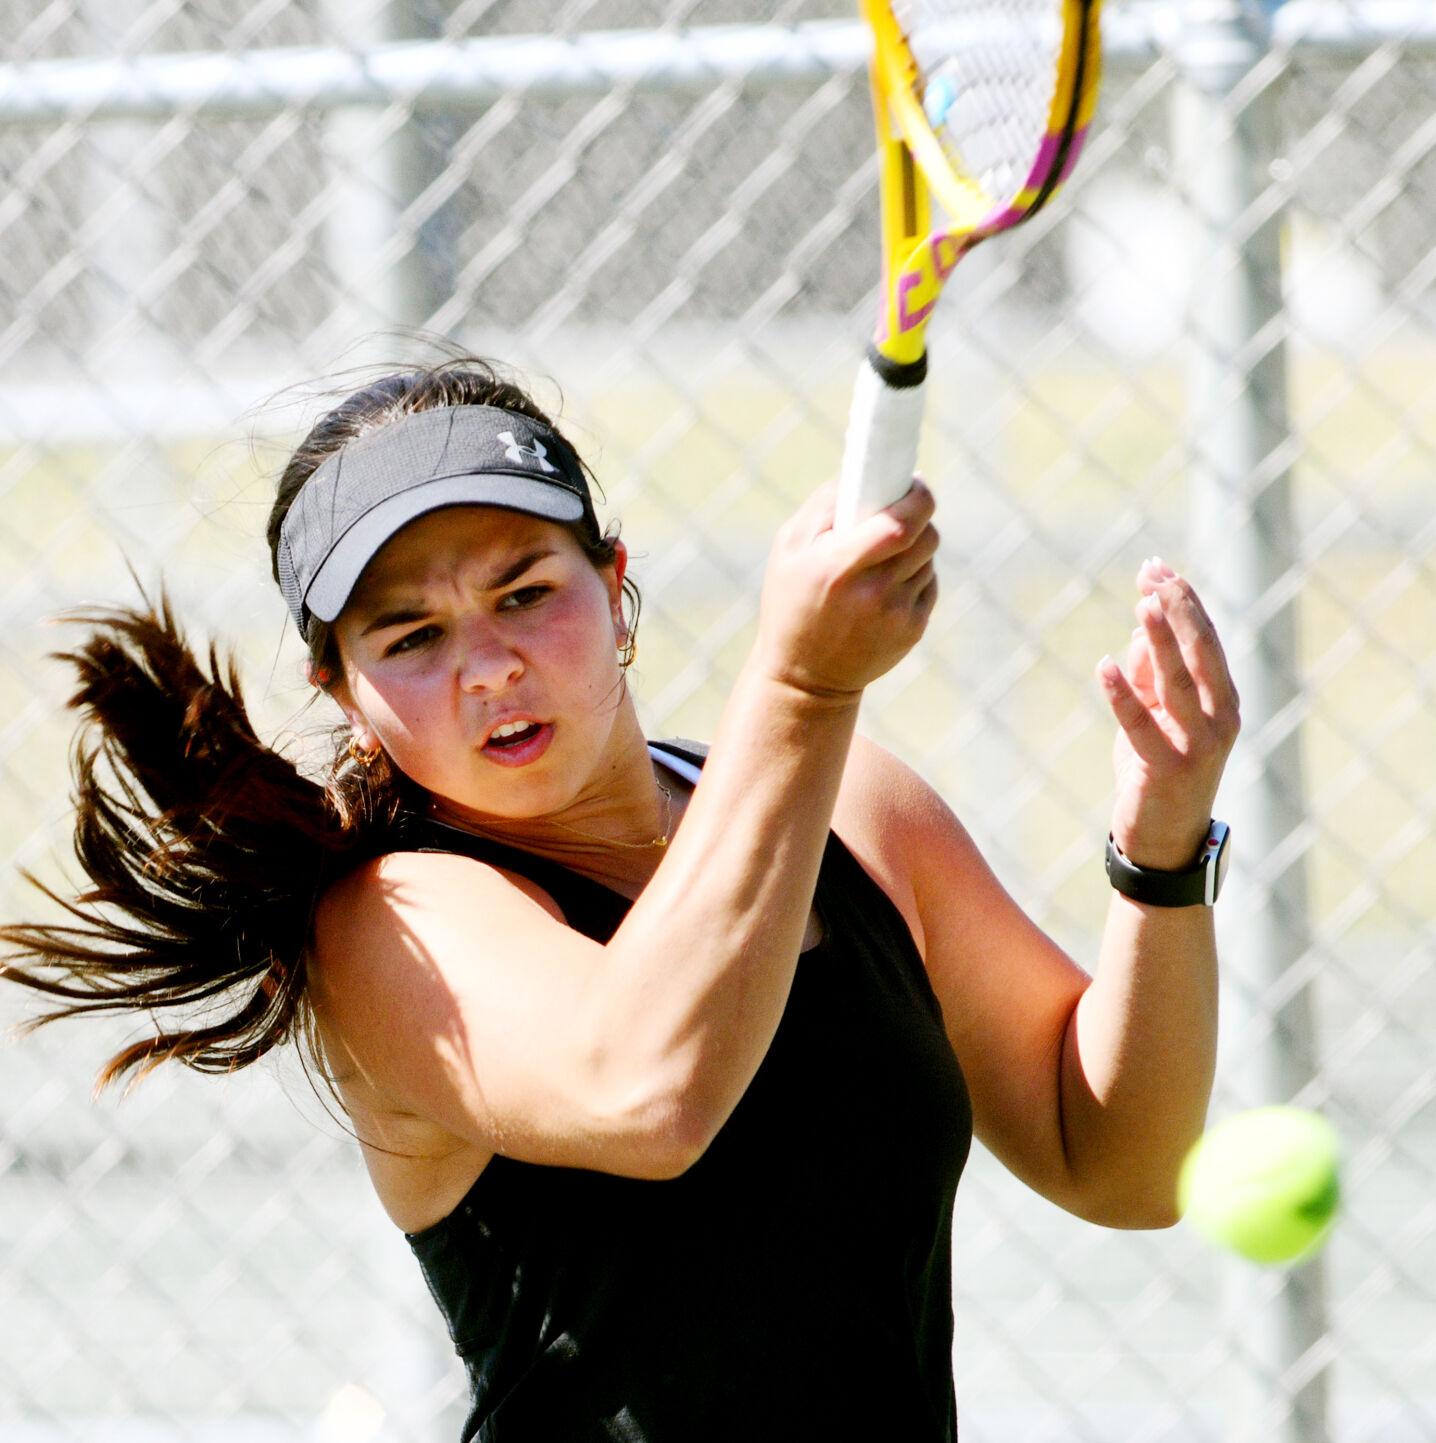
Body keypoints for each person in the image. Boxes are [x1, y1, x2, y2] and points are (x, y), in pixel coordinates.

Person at [2, 356, 1239, 1441]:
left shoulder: (851, 808)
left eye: (525, 591)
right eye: (409, 636)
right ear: (343, 695)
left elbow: (1117, 1162)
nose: (487, 666)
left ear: (614, 584)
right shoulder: (392, 925)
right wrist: (799, 689)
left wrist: (1159, 856)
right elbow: (651, 1090)